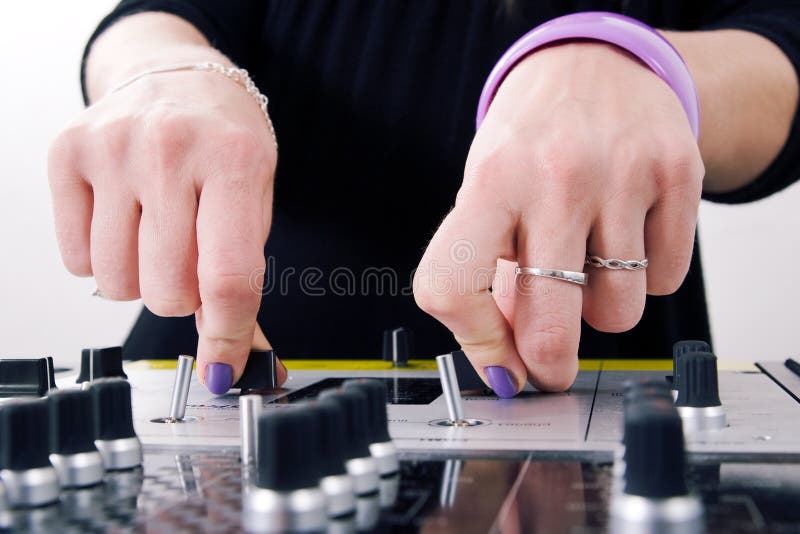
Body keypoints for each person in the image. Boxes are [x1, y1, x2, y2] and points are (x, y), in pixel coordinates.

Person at [49, 1, 799, 397]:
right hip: (218, 392)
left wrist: (640, 67)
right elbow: (155, 16)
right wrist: (169, 73)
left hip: (591, 391)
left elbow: (784, 49)